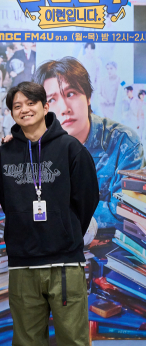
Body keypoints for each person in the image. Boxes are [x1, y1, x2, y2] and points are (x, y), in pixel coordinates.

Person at [0, 81, 99, 346]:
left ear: (45, 107)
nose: (24, 109)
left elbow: (88, 198)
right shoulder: (4, 154)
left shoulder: (70, 148)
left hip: (65, 265)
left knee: (74, 345)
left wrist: (65, 229)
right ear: (11, 113)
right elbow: (0, 198)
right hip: (22, 266)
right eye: (17, 106)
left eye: (31, 103)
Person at [34, 57, 144, 230]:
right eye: (52, 100)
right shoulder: (35, 147)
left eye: (71, 94)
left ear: (88, 97)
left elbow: (127, 212)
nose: (65, 108)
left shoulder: (125, 142)